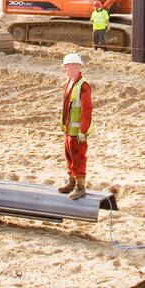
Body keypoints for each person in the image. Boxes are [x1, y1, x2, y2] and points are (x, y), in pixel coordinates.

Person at [57, 52, 93, 200]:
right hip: (69, 128)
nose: (70, 69)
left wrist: (83, 130)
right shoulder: (70, 83)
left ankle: (80, 186)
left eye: (72, 66)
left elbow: (86, 109)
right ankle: (71, 181)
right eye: (67, 67)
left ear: (77, 67)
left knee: (78, 157)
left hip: (78, 130)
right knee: (69, 155)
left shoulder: (82, 85)